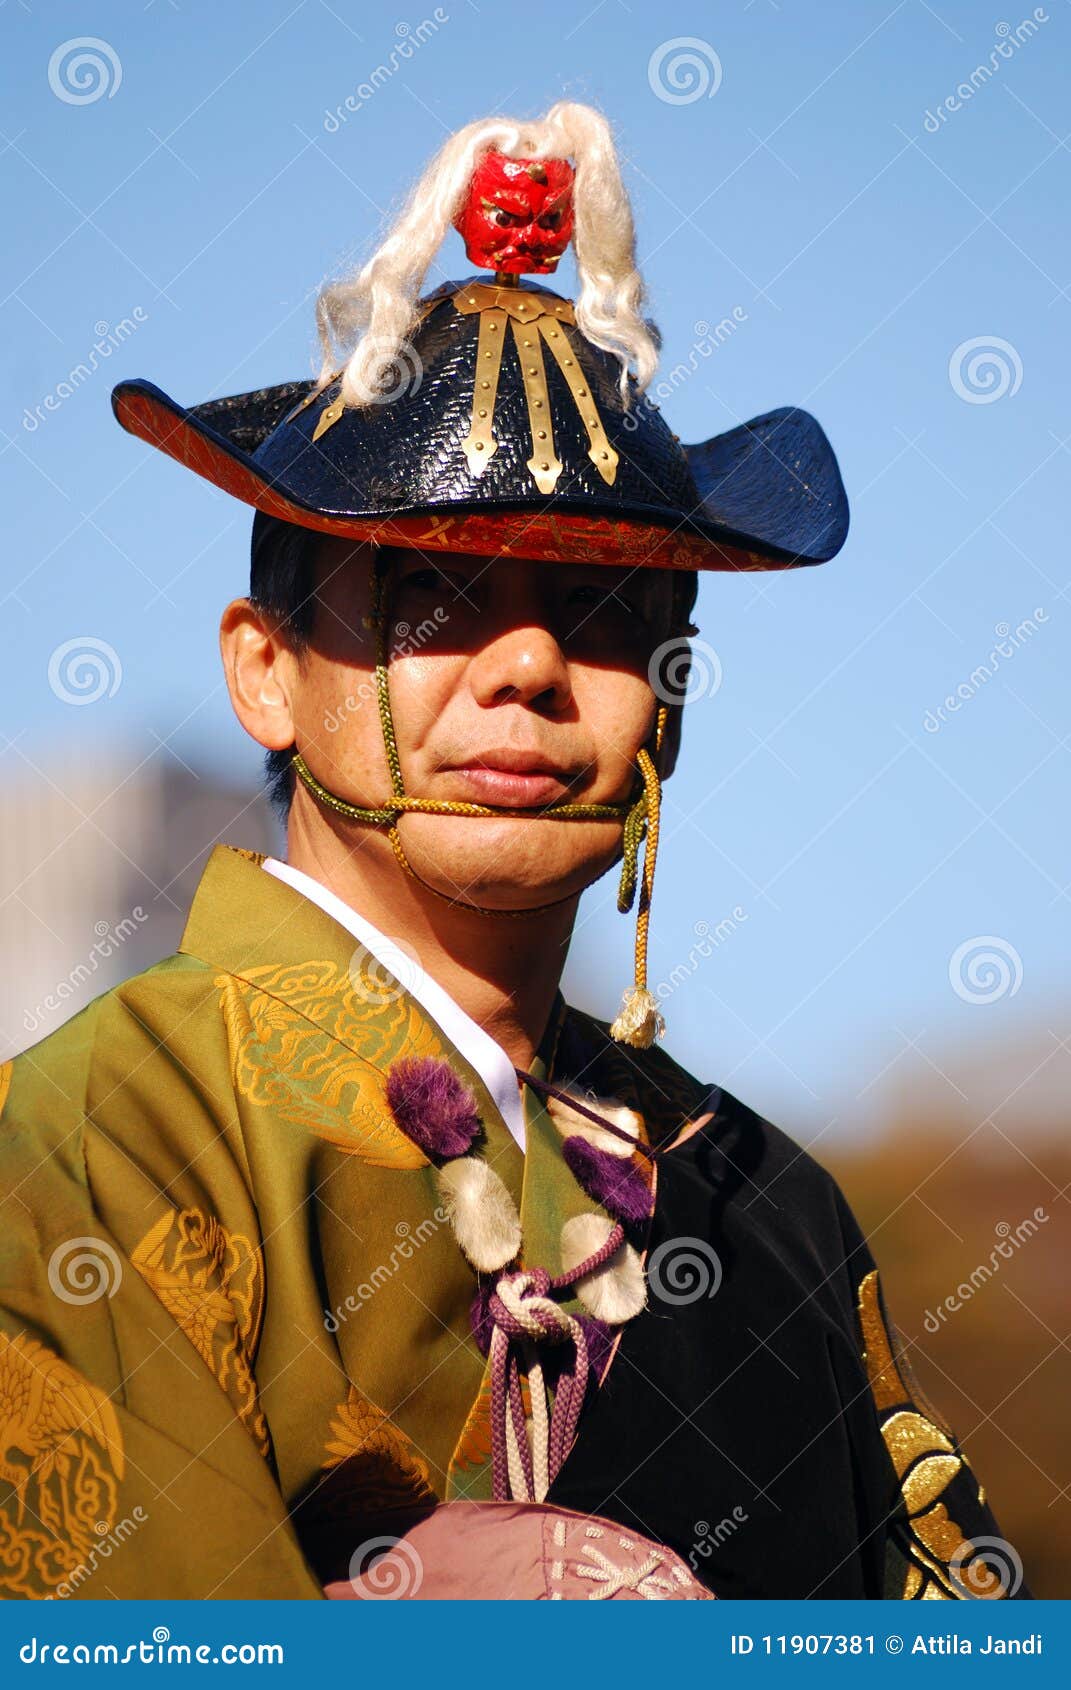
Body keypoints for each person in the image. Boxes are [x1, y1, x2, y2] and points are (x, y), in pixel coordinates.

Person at [0, 102, 1027, 1602]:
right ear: (264, 667)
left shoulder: (769, 1200)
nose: (533, 664)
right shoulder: (93, 1140)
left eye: (607, 612)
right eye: (435, 593)